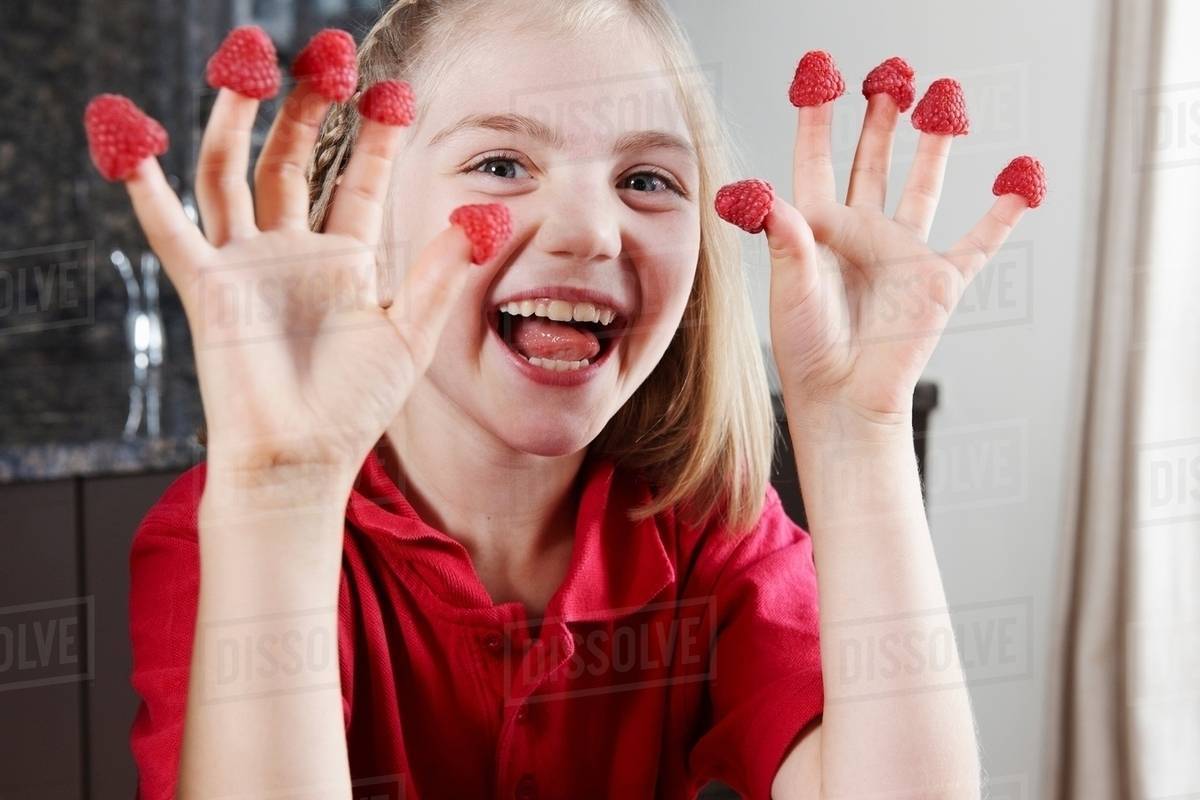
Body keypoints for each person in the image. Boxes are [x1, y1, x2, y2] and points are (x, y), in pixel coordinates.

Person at [112, 1, 1037, 797]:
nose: (594, 231)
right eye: (502, 164)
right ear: (360, 209)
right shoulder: (212, 538)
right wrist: (279, 504)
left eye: (647, 180)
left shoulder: (707, 529)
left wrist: (857, 432)